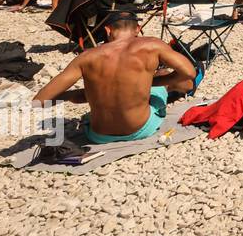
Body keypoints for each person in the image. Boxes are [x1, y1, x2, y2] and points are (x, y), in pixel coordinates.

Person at [33, 12, 197, 143]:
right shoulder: (152, 45)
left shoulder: (86, 57)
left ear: (108, 30)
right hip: (141, 128)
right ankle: (173, 90)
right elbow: (189, 72)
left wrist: (70, 96)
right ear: (138, 29)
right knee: (171, 77)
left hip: (98, 136)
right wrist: (155, 82)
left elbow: (39, 100)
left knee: (92, 90)